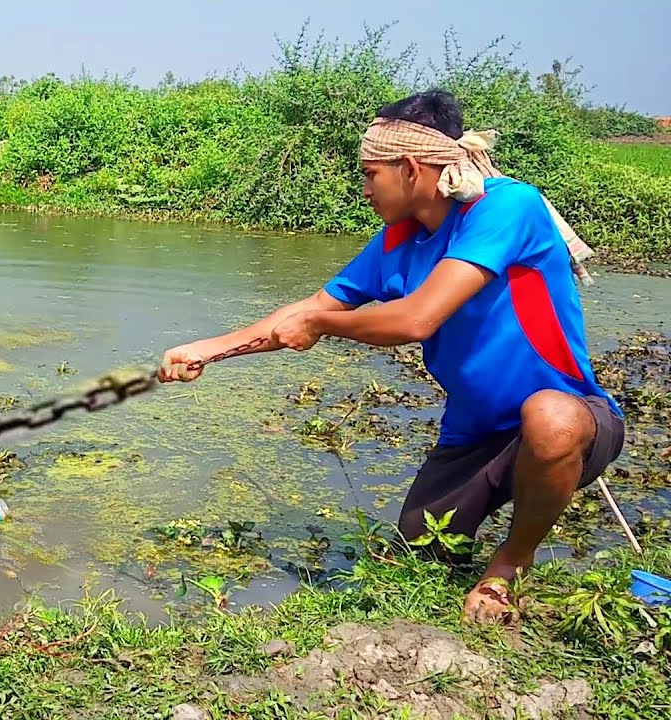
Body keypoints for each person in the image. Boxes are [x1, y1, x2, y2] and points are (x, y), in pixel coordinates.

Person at [157, 89, 625, 624]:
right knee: (416, 557)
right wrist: (208, 350)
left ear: (408, 168)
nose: (364, 189)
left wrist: (321, 325)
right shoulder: (396, 243)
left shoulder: (505, 206)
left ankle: (510, 565)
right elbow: (310, 308)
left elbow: (415, 319)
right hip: (474, 436)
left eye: (369, 174)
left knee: (552, 417)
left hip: (572, 416)